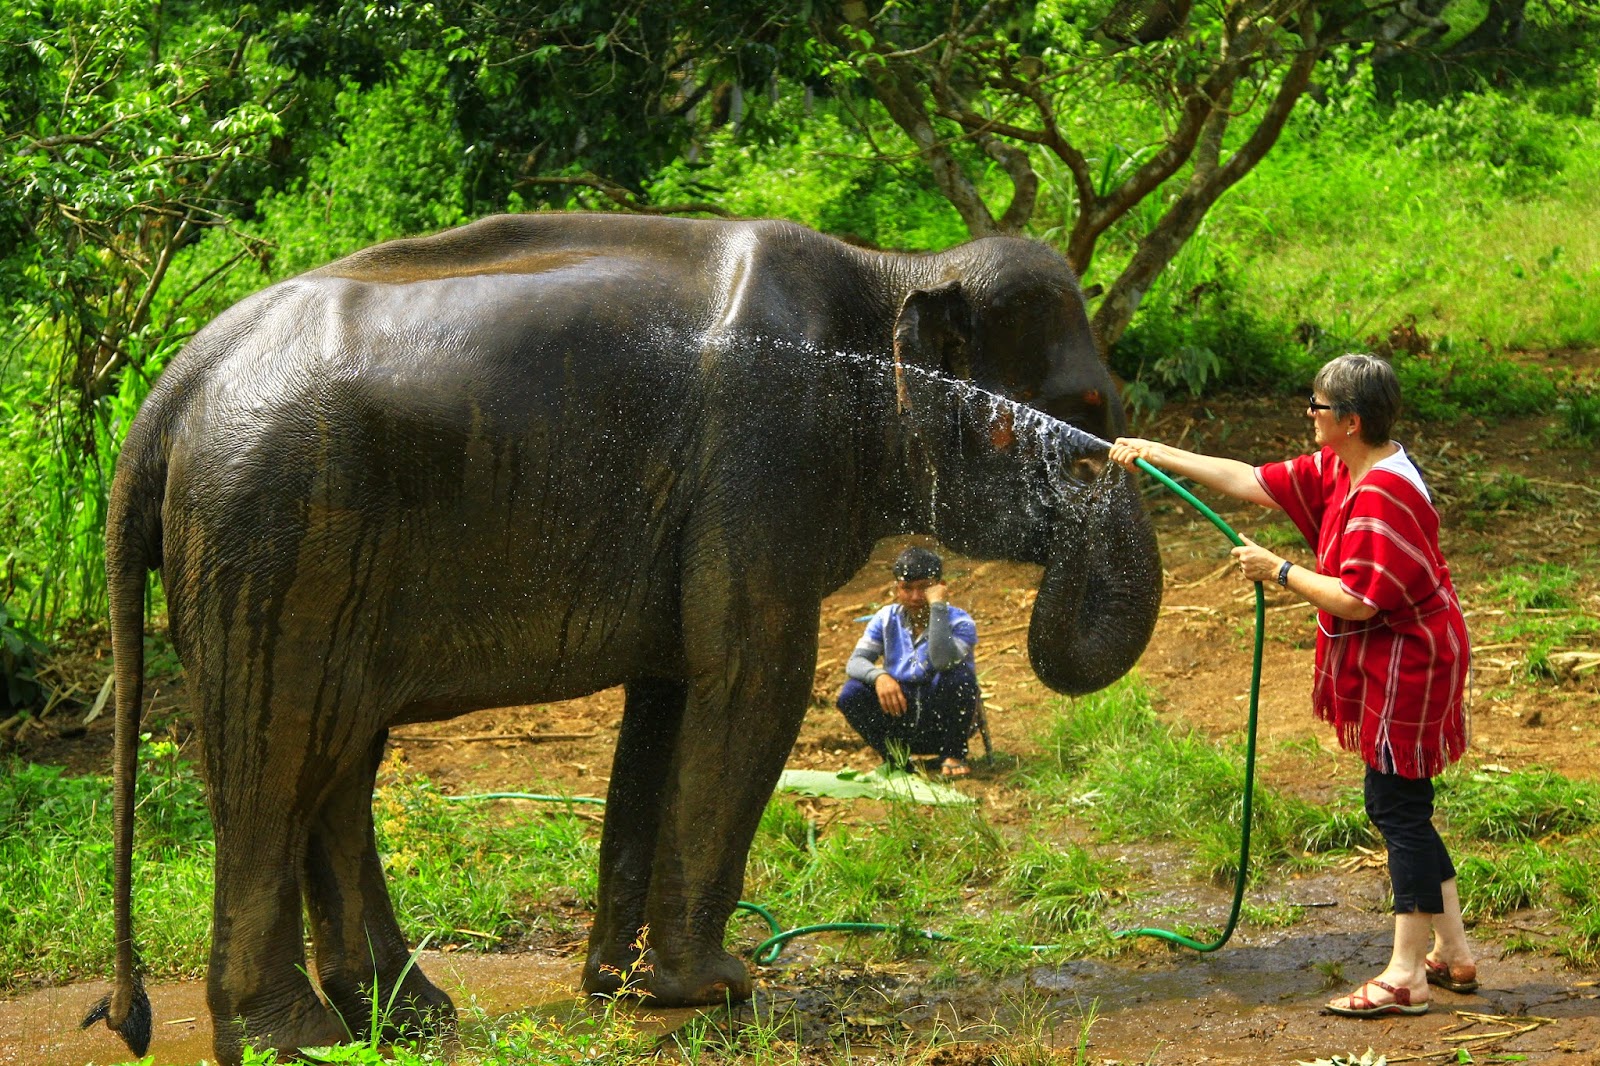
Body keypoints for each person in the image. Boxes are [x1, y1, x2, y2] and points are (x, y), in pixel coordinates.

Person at [1109, 353, 1476, 1018]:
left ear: (1349, 420)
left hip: (1411, 662)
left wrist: (1277, 570)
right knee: (1405, 805)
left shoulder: (1381, 493)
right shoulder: (1347, 466)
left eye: (1317, 407)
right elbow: (1251, 480)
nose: (1308, 415)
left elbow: (1359, 600)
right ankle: (1451, 952)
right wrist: (1155, 450)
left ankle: (1404, 977)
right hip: (1398, 656)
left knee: (1397, 808)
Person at [838, 546, 980, 776]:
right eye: (907, 588)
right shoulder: (885, 618)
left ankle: (954, 754)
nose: (915, 597)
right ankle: (897, 757)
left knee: (959, 676)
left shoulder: (960, 622)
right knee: (851, 692)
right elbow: (856, 662)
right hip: (901, 713)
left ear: (940, 587)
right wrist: (880, 676)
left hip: (942, 720)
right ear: (897, 589)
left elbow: (942, 661)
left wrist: (938, 608)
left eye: (925, 588)